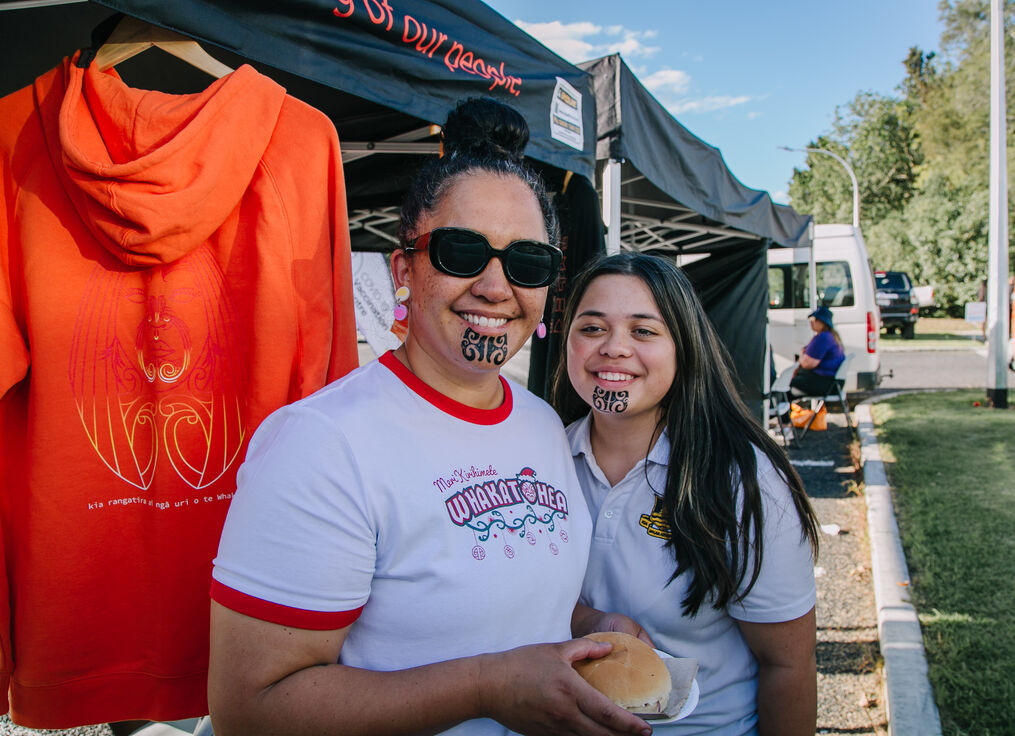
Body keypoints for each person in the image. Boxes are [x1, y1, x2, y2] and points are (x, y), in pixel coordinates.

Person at [206, 99, 652, 736]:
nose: (495, 287)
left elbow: (506, 603)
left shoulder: (541, 425)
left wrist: (588, 625)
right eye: (461, 251)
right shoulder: (322, 445)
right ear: (404, 271)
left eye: (527, 262)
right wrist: (485, 688)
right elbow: (250, 709)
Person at [551, 252, 819, 735]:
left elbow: (788, 665)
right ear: (567, 342)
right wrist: (589, 621)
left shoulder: (743, 479)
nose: (614, 347)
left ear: (684, 346)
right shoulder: (539, 461)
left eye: (643, 331)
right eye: (592, 328)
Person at [789, 305, 845, 396]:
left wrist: (802, 355)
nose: (811, 322)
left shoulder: (823, 338)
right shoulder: (831, 336)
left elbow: (808, 364)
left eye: (814, 319)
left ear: (822, 322)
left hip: (825, 382)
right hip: (832, 383)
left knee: (784, 386)